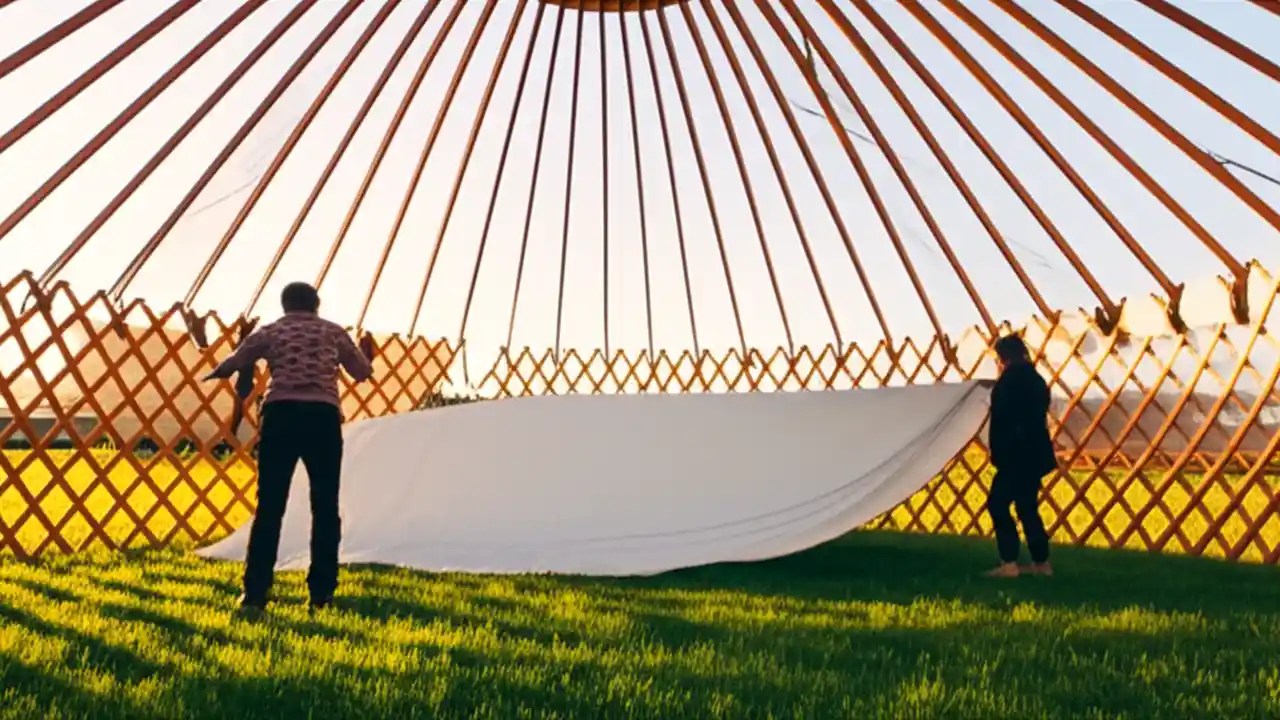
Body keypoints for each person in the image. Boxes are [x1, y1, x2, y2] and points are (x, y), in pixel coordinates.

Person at [204, 282, 374, 614]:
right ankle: (322, 593)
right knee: (325, 505)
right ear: (316, 305)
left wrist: (213, 374)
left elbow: (234, 362)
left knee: (270, 505)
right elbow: (361, 373)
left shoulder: (272, 331)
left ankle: (254, 594)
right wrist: (365, 358)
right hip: (322, 418)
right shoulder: (333, 333)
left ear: (284, 305)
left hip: (280, 416)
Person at [984, 334, 1056, 578]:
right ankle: (1041, 563)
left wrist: (1001, 453)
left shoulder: (1009, 381)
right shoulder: (1036, 379)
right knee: (1027, 507)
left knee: (998, 504)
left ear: (1004, 357)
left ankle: (1009, 562)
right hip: (1035, 455)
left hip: (1015, 455)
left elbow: (1005, 419)